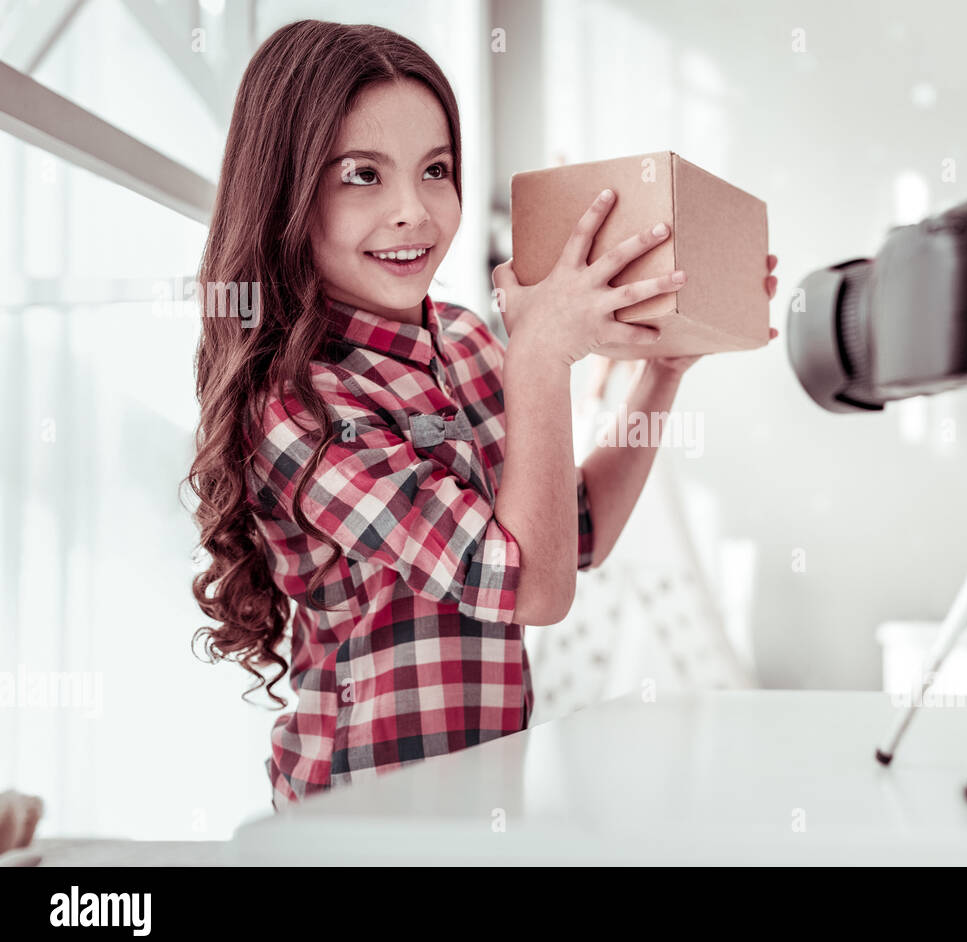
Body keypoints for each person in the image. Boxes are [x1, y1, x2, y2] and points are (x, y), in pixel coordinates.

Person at [185, 20, 778, 811]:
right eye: (361, 174)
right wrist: (539, 356)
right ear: (285, 191)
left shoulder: (466, 339)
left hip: (487, 799)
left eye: (436, 170)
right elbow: (532, 588)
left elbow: (576, 534)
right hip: (359, 820)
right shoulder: (296, 410)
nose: (414, 212)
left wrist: (661, 377)